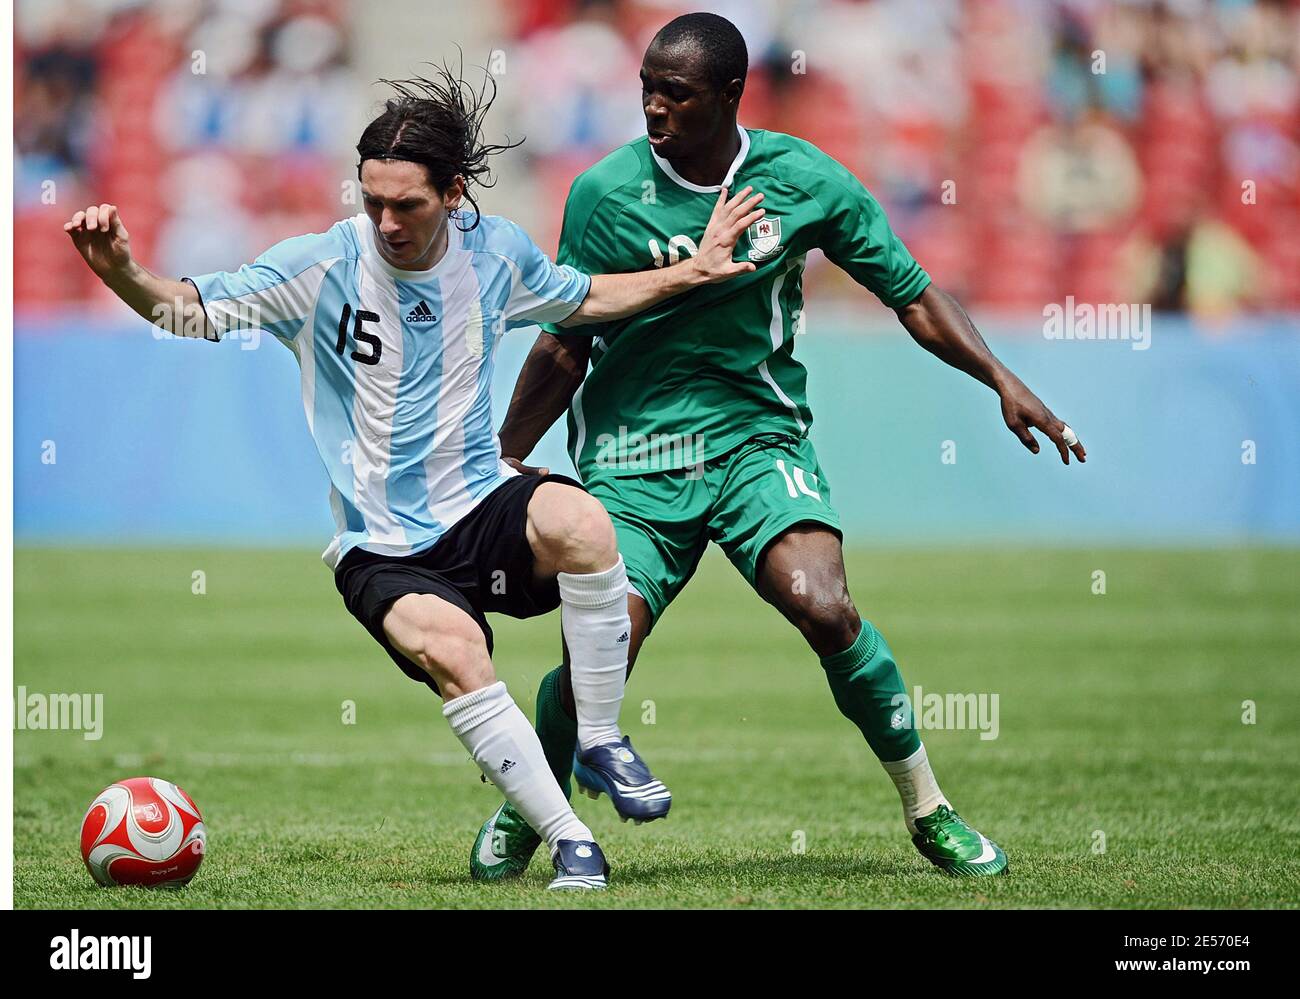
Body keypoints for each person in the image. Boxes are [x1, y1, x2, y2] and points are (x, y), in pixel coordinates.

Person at [64, 67, 764, 891]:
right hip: (383, 545)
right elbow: (189, 310)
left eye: (409, 205)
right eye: (373, 203)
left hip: (479, 503)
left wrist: (692, 271)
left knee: (584, 524)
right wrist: (120, 271)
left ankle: (601, 736)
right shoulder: (318, 266)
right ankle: (572, 840)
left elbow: (583, 298)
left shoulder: (495, 252)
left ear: (454, 194)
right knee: (457, 653)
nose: (388, 223)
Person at [472, 14, 1086, 881]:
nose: (652, 106)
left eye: (674, 93)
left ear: (729, 95)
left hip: (757, 441)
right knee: (594, 659)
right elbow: (565, 343)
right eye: (646, 86)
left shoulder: (801, 179)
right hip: (635, 458)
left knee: (827, 606)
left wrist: (1001, 379)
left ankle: (929, 808)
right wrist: (499, 456)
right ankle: (528, 805)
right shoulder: (604, 195)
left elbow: (908, 292)